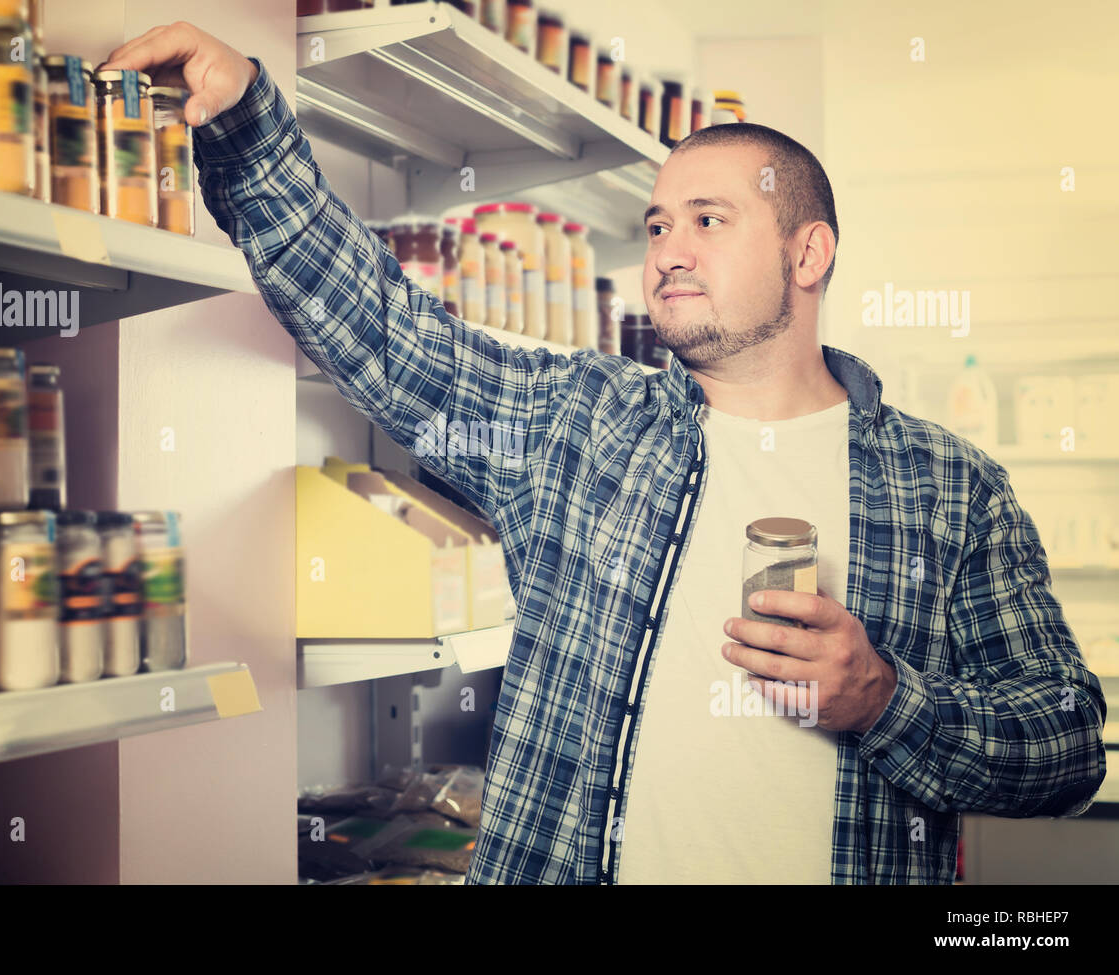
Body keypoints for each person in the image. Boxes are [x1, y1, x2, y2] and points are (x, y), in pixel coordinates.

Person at [100, 22, 1107, 884]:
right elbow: (381, 329)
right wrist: (245, 126)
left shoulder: (948, 489)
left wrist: (884, 701)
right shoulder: (578, 425)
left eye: (709, 222)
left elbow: (1062, 746)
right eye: (659, 223)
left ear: (809, 254)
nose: (667, 249)